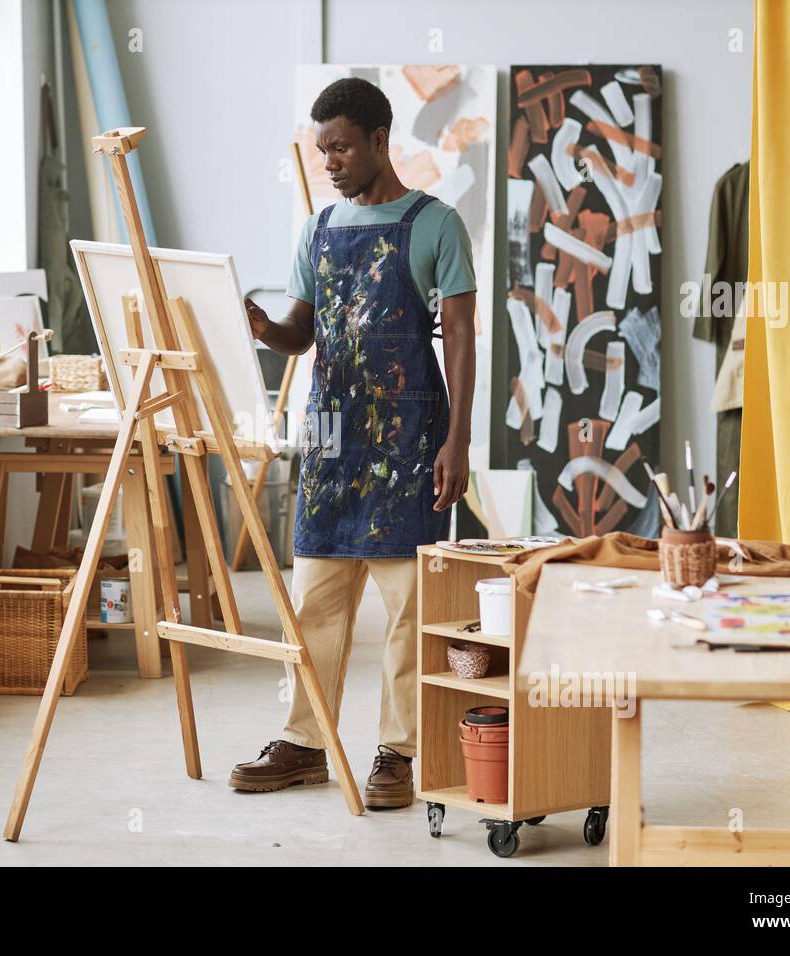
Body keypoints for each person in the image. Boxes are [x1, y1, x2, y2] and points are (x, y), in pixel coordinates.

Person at [231, 77, 476, 809]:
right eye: (321, 149)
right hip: (333, 441)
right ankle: (306, 743)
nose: (330, 161)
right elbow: (303, 332)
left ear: (378, 140)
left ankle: (398, 752)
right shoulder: (317, 228)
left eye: (340, 146)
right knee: (314, 602)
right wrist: (265, 329)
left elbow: (461, 335)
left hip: (412, 440)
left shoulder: (437, 224)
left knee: (408, 611)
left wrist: (458, 441)